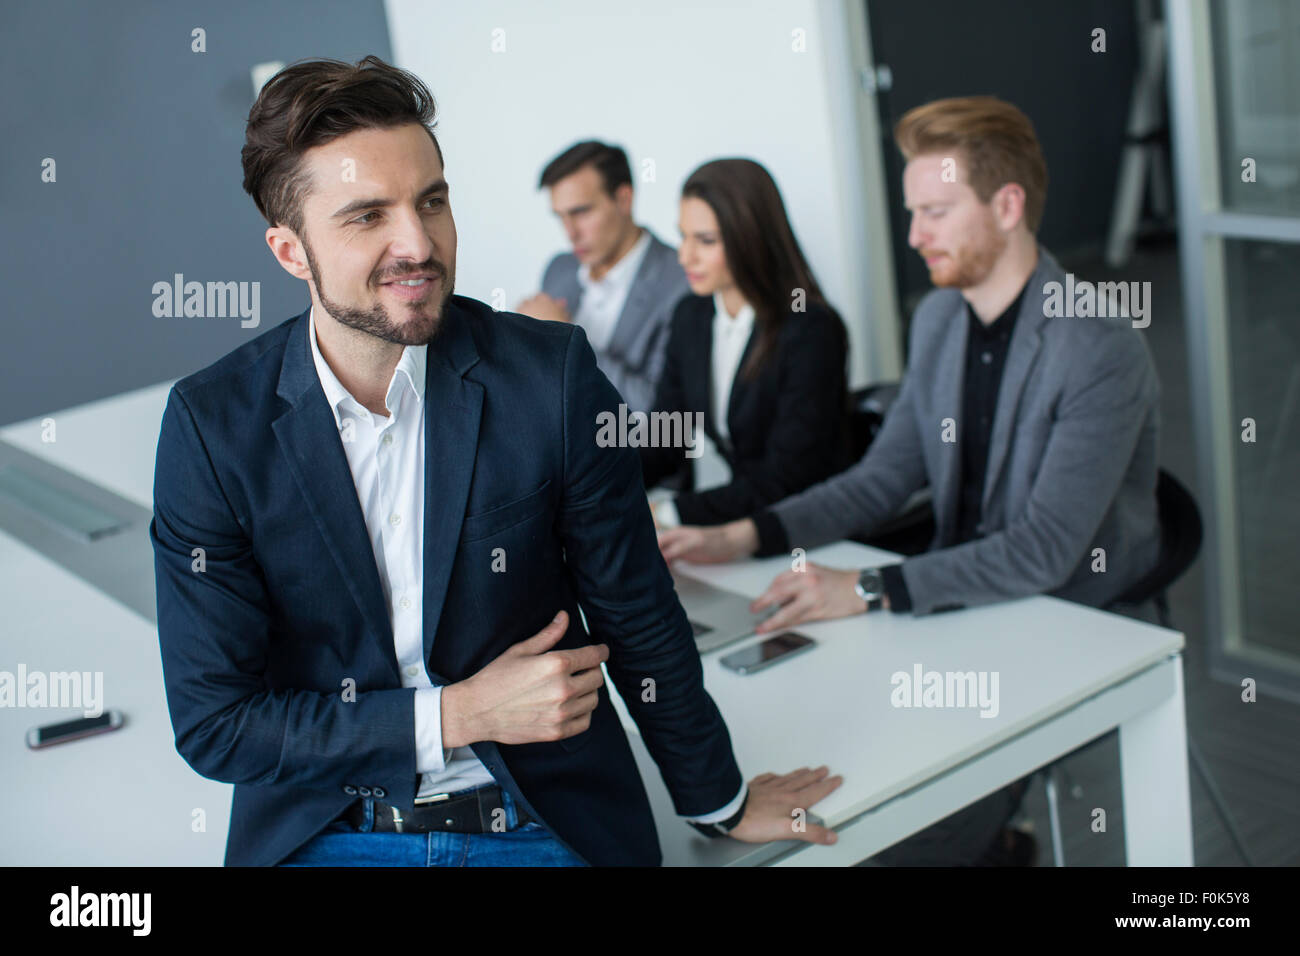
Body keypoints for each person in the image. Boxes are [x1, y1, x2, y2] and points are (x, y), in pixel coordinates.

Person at [150, 55, 842, 868]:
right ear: (290, 251)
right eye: (367, 216)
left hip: (538, 823)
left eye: (432, 201)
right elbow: (217, 723)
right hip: (331, 831)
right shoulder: (212, 427)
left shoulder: (548, 377)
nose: (419, 243)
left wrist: (717, 799)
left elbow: (638, 613)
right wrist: (455, 715)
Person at [658, 95, 1163, 865]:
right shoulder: (938, 319)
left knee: (888, 838)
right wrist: (740, 535)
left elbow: (1045, 550)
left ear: (1007, 205)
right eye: (911, 210)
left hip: (1067, 609)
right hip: (956, 593)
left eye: (933, 211)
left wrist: (867, 590)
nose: (914, 235)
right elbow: (884, 476)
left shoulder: (1095, 345)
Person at [639, 158, 851, 528]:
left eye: (705, 240)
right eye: (682, 236)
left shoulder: (810, 329)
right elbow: (665, 436)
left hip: (807, 527)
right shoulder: (692, 316)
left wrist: (671, 513)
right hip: (747, 520)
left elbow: (788, 478)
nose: (684, 256)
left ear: (748, 239)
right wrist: (596, 490)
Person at [517, 141, 688, 414]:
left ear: (624, 200)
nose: (570, 233)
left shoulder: (682, 280)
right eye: (560, 217)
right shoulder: (559, 269)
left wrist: (567, 338)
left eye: (580, 212)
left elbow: (657, 412)